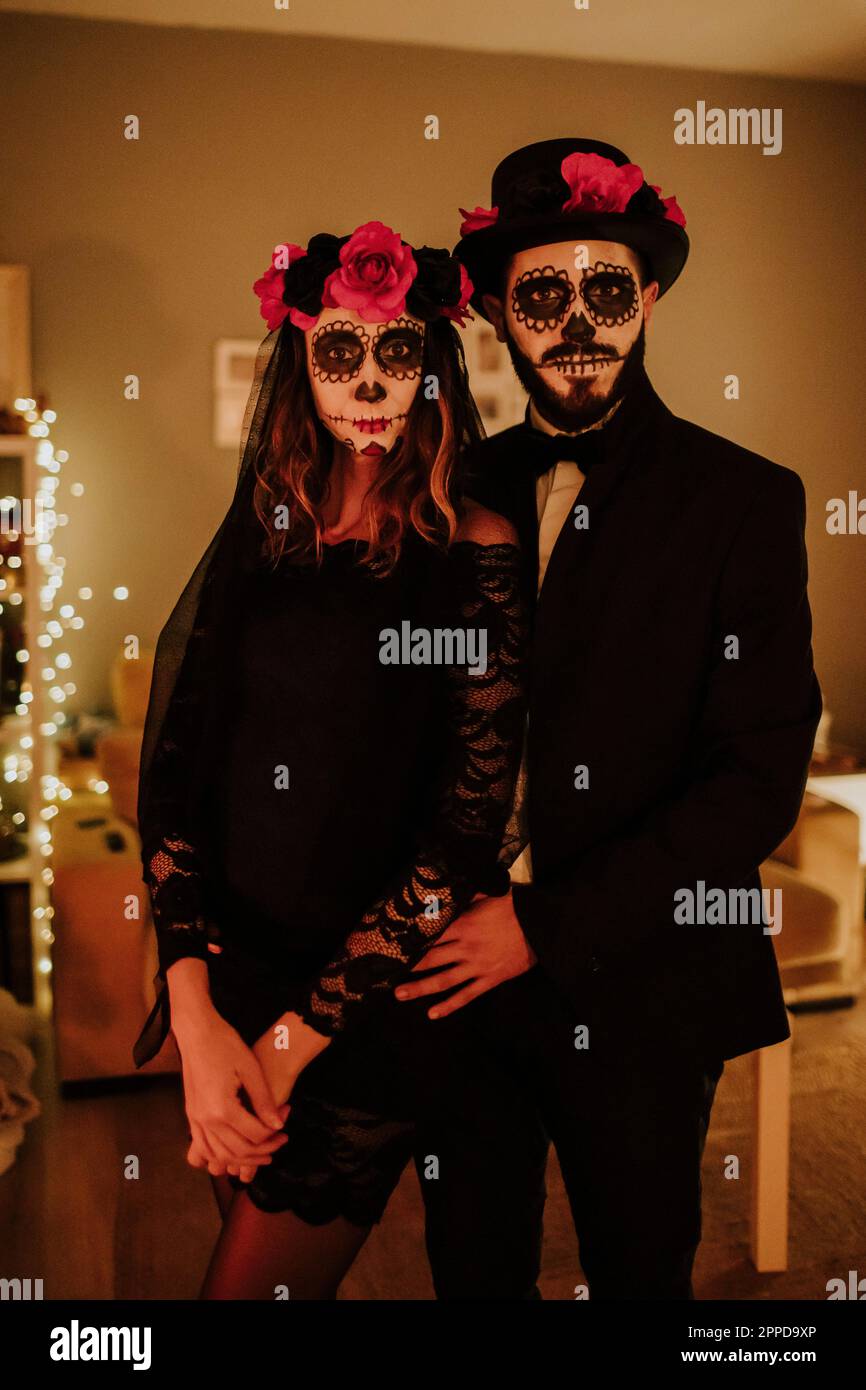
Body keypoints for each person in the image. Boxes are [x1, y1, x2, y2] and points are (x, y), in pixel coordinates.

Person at [396, 139, 822, 1299]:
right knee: (470, 1270)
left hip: (645, 976)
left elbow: (755, 776)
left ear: (645, 299)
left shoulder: (744, 499)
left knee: (640, 1269)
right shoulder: (448, 489)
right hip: (452, 976)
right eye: (541, 293)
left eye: (606, 288)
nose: (576, 319)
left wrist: (544, 922)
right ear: (493, 315)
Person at [131, 219, 532, 1299]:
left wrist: (281, 1046)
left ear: (432, 370)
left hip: (367, 1013)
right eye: (338, 353)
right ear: (299, 364)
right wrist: (199, 1010)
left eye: (394, 354)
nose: (365, 381)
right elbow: (171, 778)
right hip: (233, 990)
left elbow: (460, 833)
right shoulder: (266, 534)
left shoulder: (476, 551)